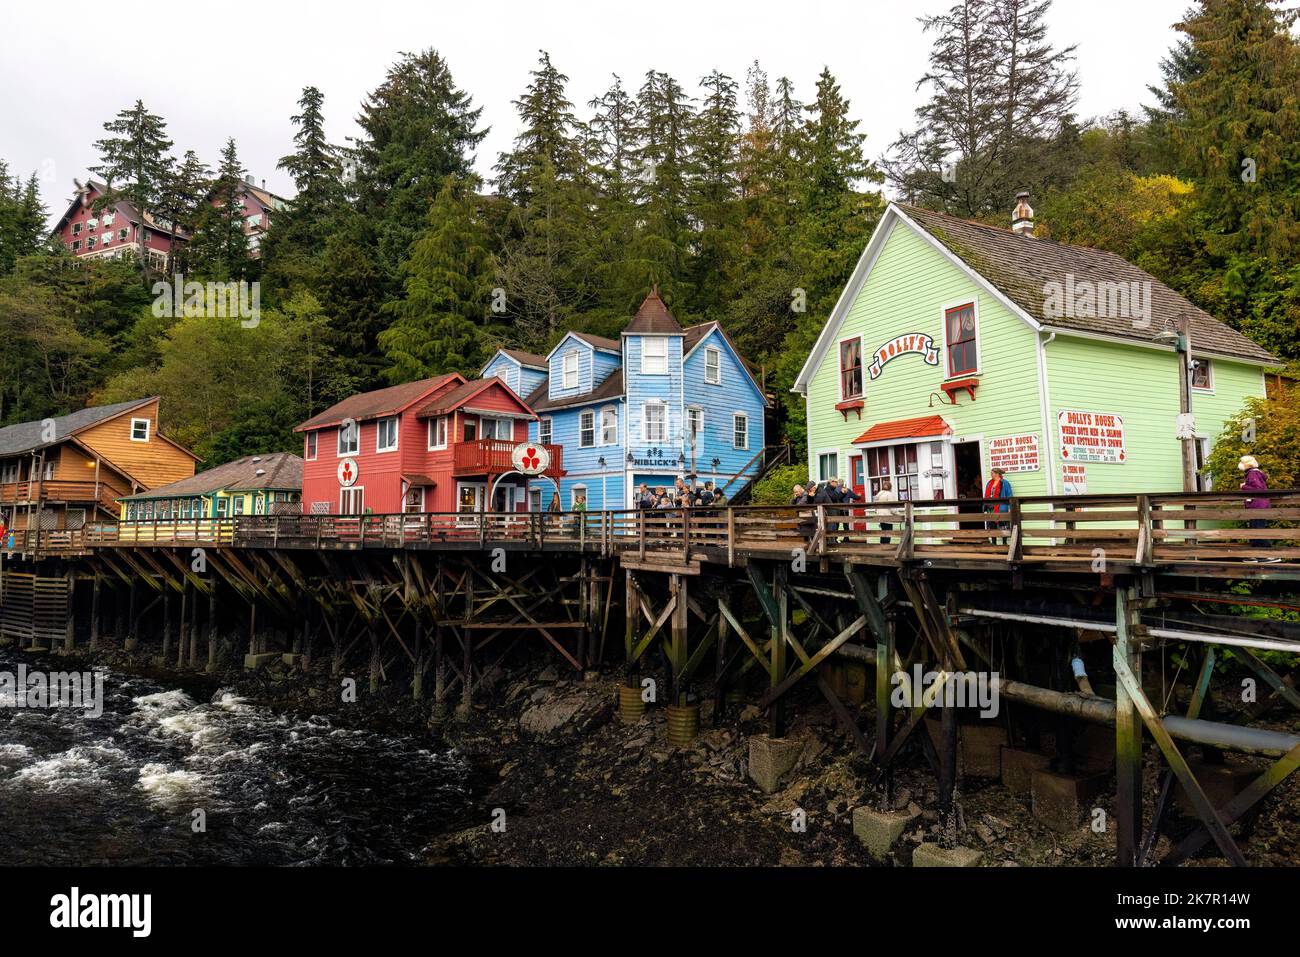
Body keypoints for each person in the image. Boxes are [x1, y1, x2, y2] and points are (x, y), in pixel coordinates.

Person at [1240, 455, 1280, 563]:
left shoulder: (1253, 473)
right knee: (1255, 529)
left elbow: (1257, 489)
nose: (1240, 464)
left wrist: (1243, 486)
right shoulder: (1254, 473)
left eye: (1241, 462)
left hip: (1257, 506)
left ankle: (1267, 555)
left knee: (1258, 530)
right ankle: (1256, 555)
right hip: (1258, 506)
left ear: (1247, 464)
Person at [983, 467, 1012, 541]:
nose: (991, 475)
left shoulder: (1005, 483)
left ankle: (1004, 543)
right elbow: (986, 495)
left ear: (997, 474)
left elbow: (1009, 495)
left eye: (992, 473)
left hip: (1001, 507)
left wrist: (1009, 507)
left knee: (1003, 525)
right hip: (991, 507)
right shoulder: (989, 483)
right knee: (992, 526)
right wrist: (985, 505)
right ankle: (993, 543)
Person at [874, 479, 901, 545]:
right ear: (890, 487)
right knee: (888, 533)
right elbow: (892, 508)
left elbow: (875, 508)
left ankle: (882, 548)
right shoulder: (889, 494)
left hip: (880, 516)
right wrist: (899, 514)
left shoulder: (878, 494)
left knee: (883, 533)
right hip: (887, 516)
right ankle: (886, 548)